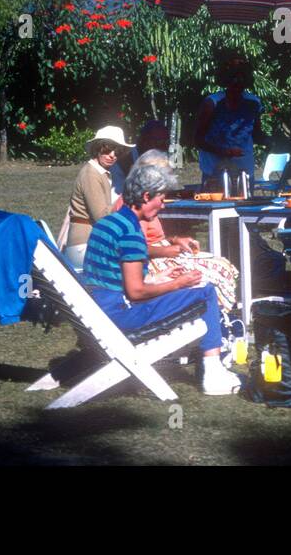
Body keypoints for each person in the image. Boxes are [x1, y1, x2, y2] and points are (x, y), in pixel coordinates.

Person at [83, 159, 244, 395]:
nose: (164, 206)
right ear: (146, 196)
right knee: (206, 291)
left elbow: (114, 278)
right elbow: (135, 292)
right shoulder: (130, 231)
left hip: (99, 311)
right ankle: (213, 373)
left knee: (191, 288)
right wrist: (178, 283)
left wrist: (163, 278)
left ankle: (215, 365)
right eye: (161, 199)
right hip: (120, 317)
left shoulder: (108, 224)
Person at [127, 149, 240, 313]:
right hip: (150, 262)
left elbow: (151, 235)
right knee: (207, 275)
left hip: (161, 254)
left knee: (221, 264)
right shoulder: (132, 205)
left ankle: (216, 317)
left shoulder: (147, 200)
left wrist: (174, 239)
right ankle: (208, 316)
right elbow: (133, 248)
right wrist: (165, 250)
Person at [63, 125, 132, 269]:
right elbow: (101, 217)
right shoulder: (91, 174)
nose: (112, 155)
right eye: (107, 149)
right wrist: (126, 199)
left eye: (117, 151)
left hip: (92, 242)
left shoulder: (100, 172)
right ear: (97, 148)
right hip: (83, 245)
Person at [195, 57, 266, 187]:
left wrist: (272, 141)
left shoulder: (253, 103)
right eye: (234, 79)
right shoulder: (212, 103)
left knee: (244, 206)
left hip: (244, 173)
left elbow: (257, 134)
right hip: (214, 172)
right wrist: (224, 152)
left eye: (242, 79)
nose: (238, 83)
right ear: (226, 80)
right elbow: (198, 140)